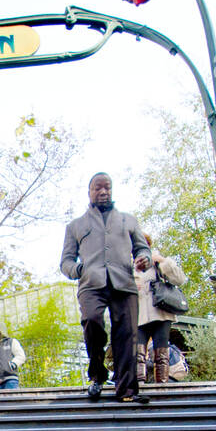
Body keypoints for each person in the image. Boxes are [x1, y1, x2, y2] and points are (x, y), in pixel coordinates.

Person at [59, 172, 151, 403]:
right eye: (98, 188)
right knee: (92, 322)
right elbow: (65, 262)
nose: (103, 192)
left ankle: (127, 390)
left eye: (107, 188)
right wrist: (80, 270)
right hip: (91, 285)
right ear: (89, 192)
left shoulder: (128, 220)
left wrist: (144, 259)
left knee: (127, 333)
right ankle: (97, 377)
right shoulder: (75, 226)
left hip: (124, 283)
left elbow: (142, 248)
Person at [134, 236, 188, 384]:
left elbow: (180, 279)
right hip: (138, 315)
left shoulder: (157, 262)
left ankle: (162, 387)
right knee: (138, 353)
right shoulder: (127, 266)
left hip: (161, 313)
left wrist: (163, 261)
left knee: (161, 353)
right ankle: (139, 385)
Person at [0, 323, 25, 390]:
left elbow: (21, 355)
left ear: (2, 330)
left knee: (11, 399)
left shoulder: (11, 342)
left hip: (11, 379)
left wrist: (13, 364)